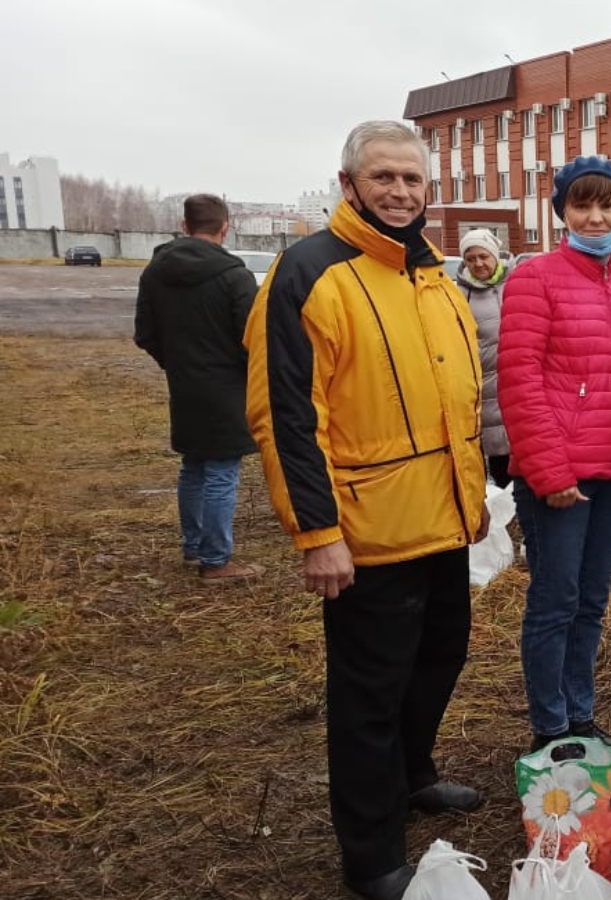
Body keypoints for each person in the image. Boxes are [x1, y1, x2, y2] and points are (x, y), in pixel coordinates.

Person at [243, 120, 489, 900]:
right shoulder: (310, 274)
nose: (400, 191)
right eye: (383, 177)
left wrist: (473, 496)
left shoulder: (433, 276)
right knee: (368, 695)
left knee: (438, 660)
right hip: (368, 533)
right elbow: (286, 416)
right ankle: (371, 851)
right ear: (348, 184)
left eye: (412, 180)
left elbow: (458, 401)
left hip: (444, 522)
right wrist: (317, 534)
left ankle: (412, 777)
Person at [497, 155, 611, 758]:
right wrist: (548, 471)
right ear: (562, 211)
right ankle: (551, 727)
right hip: (560, 477)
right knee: (555, 600)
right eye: (582, 205)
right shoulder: (536, 278)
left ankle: (581, 717)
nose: (595, 216)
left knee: (591, 601)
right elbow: (519, 380)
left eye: (607, 205)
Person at [133, 193, 263, 581]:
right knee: (222, 471)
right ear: (225, 228)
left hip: (185, 385)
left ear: (185, 225)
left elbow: (146, 334)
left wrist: (176, 364)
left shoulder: (154, 271)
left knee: (193, 466)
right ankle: (216, 561)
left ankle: (194, 547)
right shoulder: (235, 276)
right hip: (226, 388)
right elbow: (254, 337)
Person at [456, 228, 512, 488]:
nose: (478, 263)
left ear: (495, 256)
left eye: (483, 256)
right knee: (496, 450)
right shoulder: (459, 295)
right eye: (471, 259)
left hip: (519, 380)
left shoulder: (515, 284)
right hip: (484, 385)